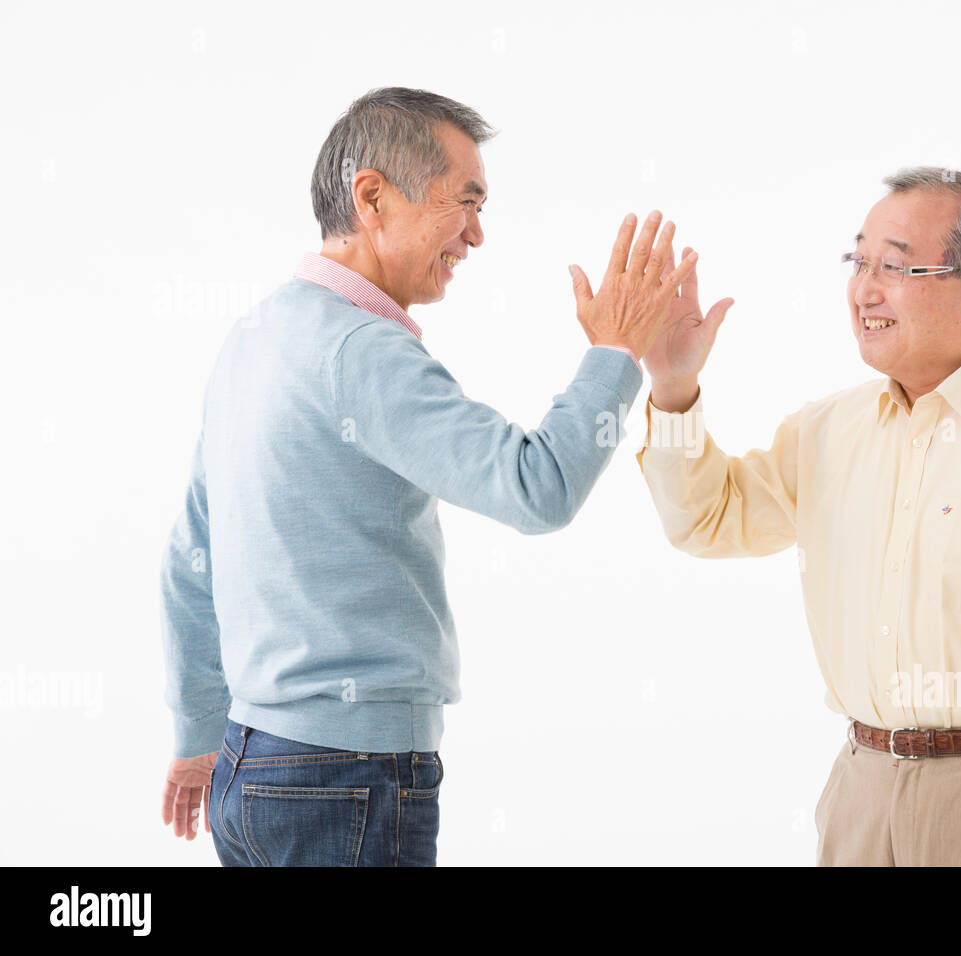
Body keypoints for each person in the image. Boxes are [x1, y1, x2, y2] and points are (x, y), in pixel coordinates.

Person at [158, 87, 697, 865]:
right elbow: (537, 488)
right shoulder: (360, 351)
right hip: (344, 778)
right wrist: (615, 354)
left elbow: (188, 561)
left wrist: (199, 733)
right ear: (372, 196)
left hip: (251, 770)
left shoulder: (254, 336)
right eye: (465, 203)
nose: (477, 234)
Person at [636, 166, 961, 866]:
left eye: (895, 266)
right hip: (863, 795)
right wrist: (673, 388)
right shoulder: (829, 428)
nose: (865, 290)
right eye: (858, 261)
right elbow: (706, 521)